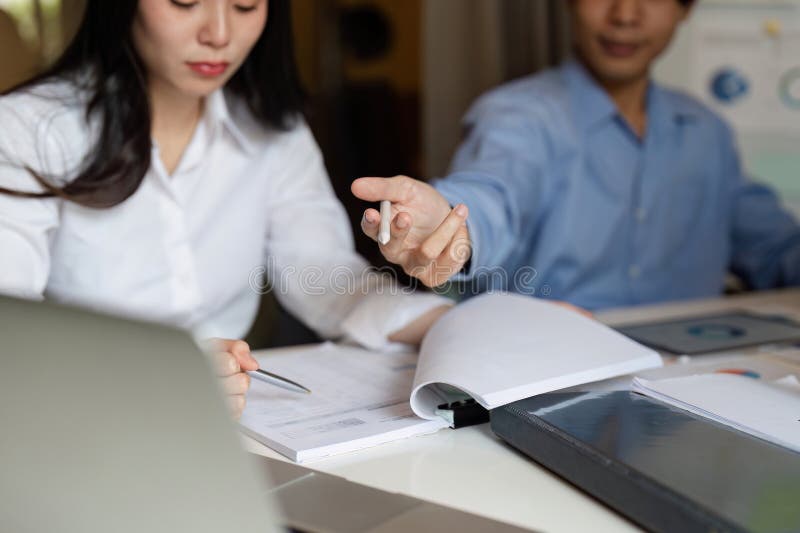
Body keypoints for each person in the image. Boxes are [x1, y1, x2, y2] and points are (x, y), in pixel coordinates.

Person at [0, 0, 450, 418]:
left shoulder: (274, 131)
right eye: (184, 1)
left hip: (231, 428)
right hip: (78, 423)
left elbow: (323, 278)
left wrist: (454, 327)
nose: (219, 34)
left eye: (244, 5)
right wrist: (158, 379)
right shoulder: (26, 130)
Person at [352, 0, 800, 310]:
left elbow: (776, 250)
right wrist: (451, 222)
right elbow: (496, 190)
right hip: (549, 379)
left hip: (704, 381)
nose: (625, 14)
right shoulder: (518, 116)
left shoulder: (708, 133)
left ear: (686, 9)